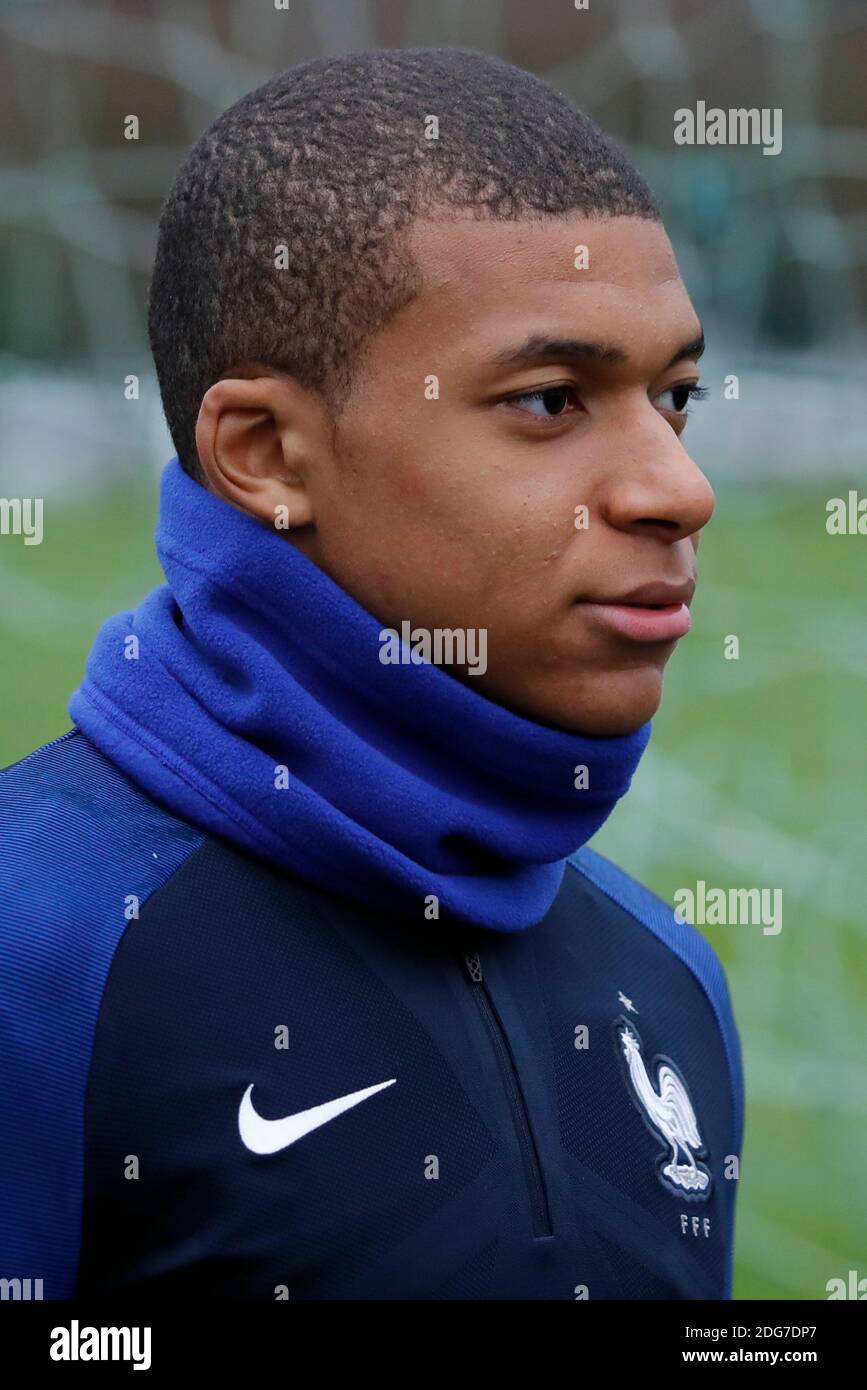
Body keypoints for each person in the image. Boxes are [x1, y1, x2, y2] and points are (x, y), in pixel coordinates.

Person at [0, 47, 743, 1300]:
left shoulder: (667, 971)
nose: (680, 488)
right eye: (555, 399)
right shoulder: (40, 951)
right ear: (267, 452)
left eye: (674, 396)